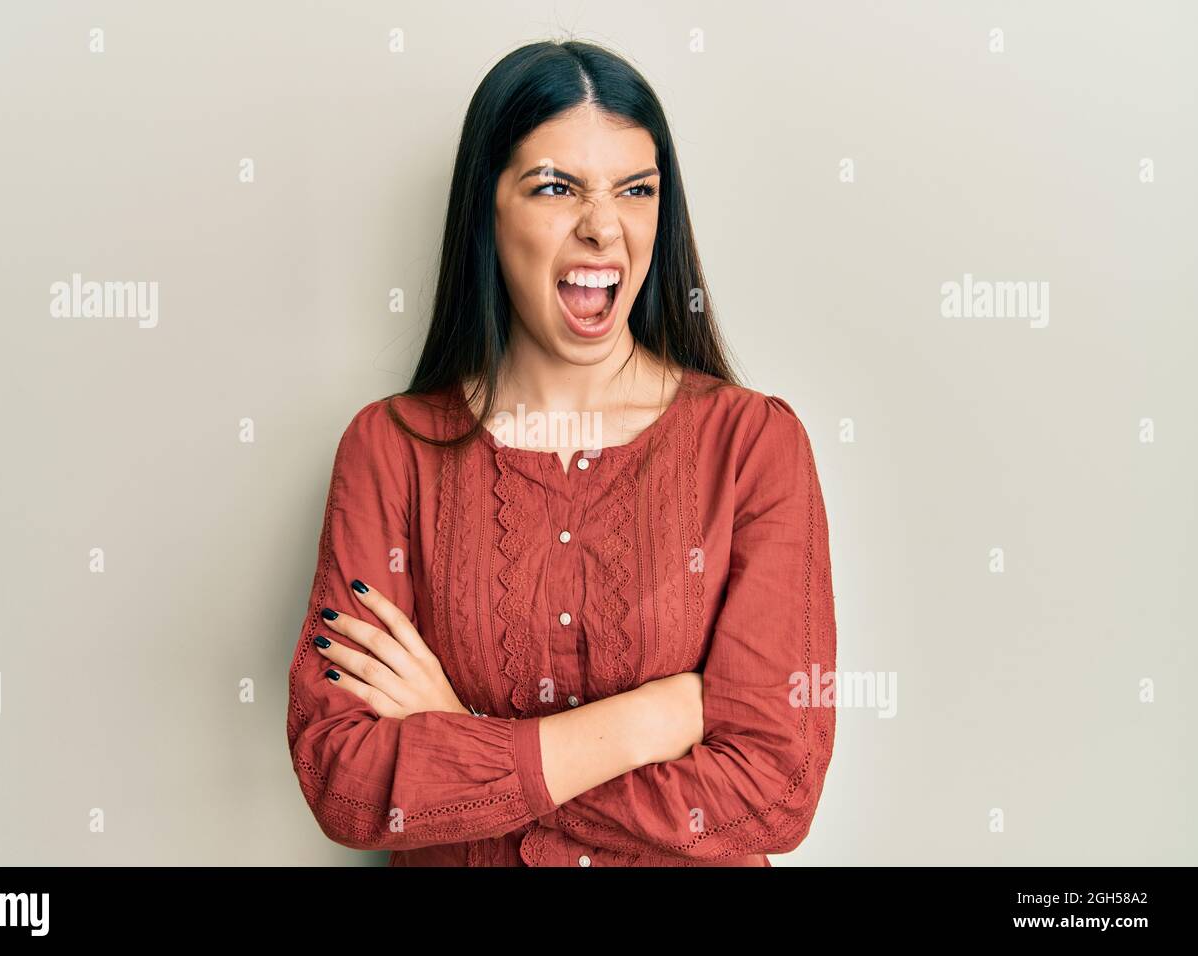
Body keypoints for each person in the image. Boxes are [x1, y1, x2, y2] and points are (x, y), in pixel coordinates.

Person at [285, 38, 837, 867]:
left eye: (635, 189)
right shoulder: (390, 449)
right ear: (487, 208)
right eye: (555, 187)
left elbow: (772, 794)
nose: (603, 226)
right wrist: (647, 723)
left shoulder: (753, 445)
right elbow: (346, 782)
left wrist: (466, 747)